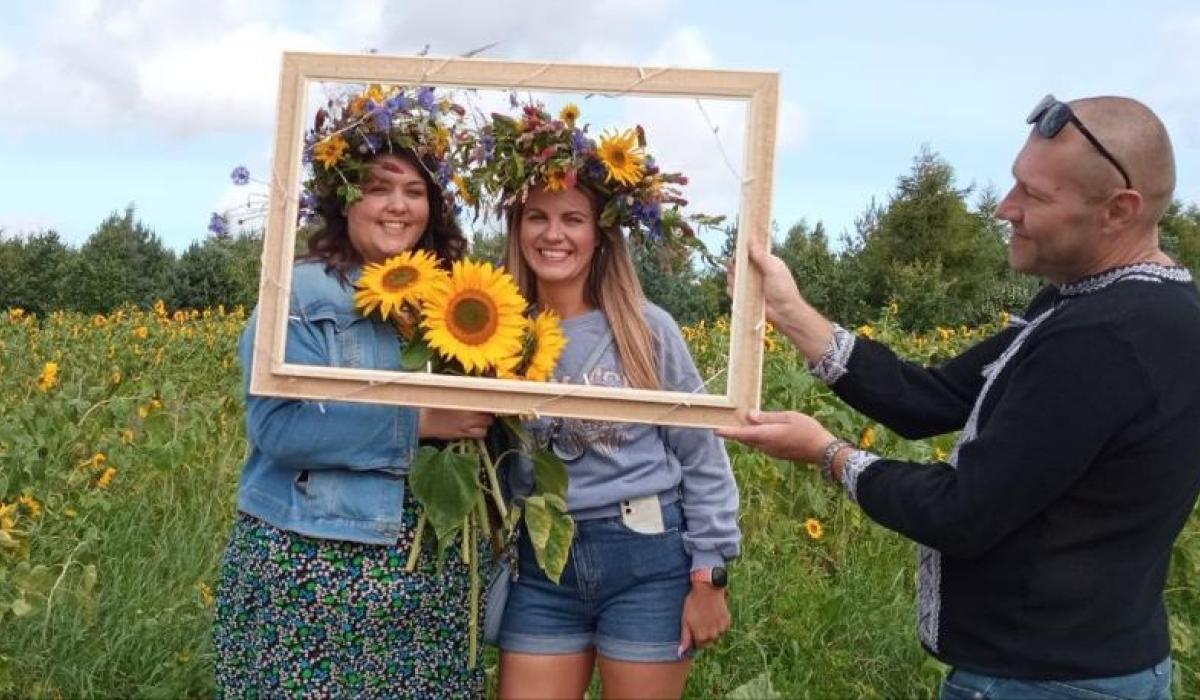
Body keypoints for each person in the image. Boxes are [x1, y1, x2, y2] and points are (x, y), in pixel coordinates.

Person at [720, 94, 1200, 699]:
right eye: (1014, 184)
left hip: (1047, 683)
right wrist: (788, 311)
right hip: (1071, 672)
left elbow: (961, 514)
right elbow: (933, 397)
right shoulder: (1099, 304)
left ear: (1118, 210)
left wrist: (827, 452)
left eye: (1035, 195)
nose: (1006, 208)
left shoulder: (1111, 336)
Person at [213, 84, 495, 698]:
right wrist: (419, 422)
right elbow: (278, 427)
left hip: (432, 572)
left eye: (415, 191)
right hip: (313, 564)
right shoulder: (297, 295)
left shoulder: (456, 300)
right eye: (377, 187)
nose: (398, 207)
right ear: (344, 200)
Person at [466, 102, 741, 699]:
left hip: (649, 560)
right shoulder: (491, 332)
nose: (553, 234)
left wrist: (709, 575)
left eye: (573, 218)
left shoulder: (646, 330)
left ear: (600, 234)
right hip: (542, 565)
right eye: (536, 218)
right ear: (517, 230)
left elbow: (702, 457)